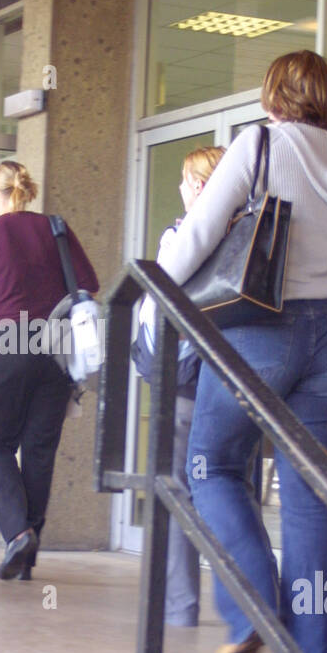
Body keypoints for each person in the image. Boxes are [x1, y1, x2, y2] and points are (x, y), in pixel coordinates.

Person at [153, 52, 327, 653]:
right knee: (313, 495)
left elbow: (200, 234)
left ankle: (257, 611)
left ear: (275, 96)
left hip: (262, 329)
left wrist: (152, 293)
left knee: (213, 465)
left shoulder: (258, 144)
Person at [0, 160, 99, 580]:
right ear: (27, 191)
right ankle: (26, 557)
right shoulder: (55, 227)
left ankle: (18, 534)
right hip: (56, 344)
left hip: (11, 341)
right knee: (39, 449)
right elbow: (88, 280)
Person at [139, 147, 225, 626]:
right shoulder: (249, 234)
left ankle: (181, 606)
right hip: (233, 381)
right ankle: (253, 607)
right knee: (226, 487)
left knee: (174, 489)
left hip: (185, 379)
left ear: (195, 186)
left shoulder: (182, 236)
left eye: (181, 182)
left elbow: (161, 299)